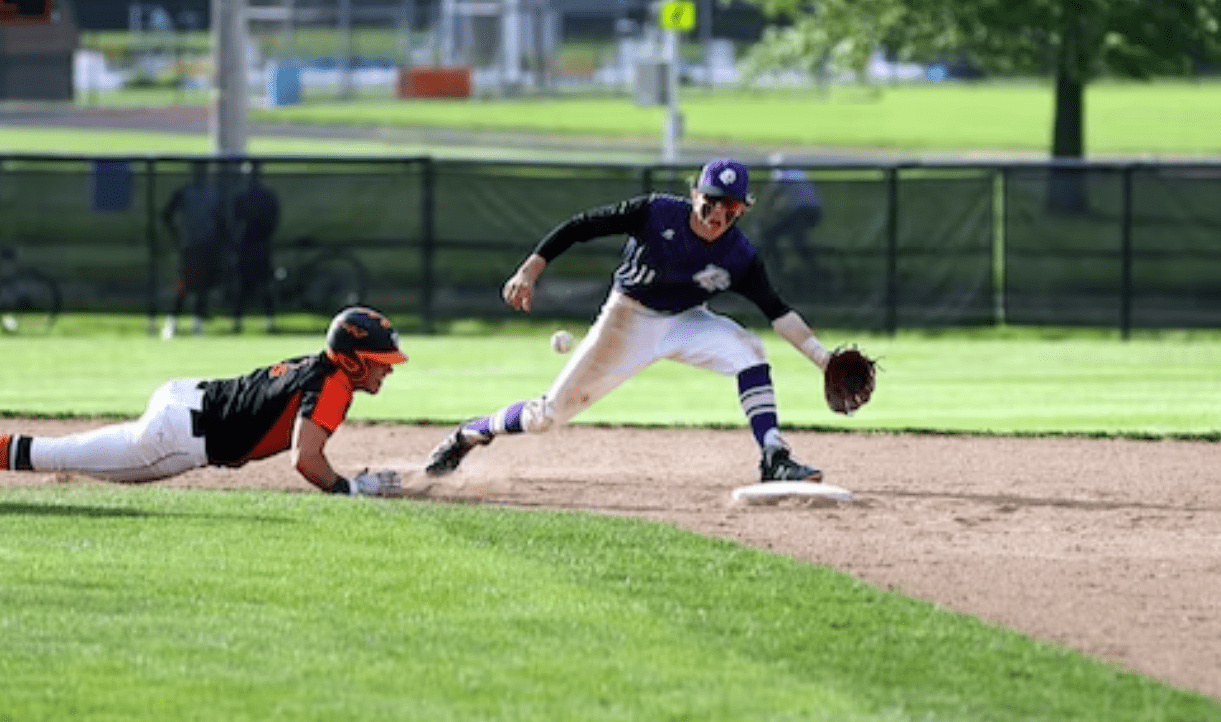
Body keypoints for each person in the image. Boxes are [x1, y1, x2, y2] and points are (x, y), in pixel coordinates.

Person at [425, 158, 838, 484]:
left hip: (685, 321)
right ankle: (470, 433)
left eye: (729, 207)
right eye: (710, 201)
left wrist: (824, 359)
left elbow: (779, 312)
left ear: (742, 209)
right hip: (626, 319)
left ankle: (774, 455)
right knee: (545, 417)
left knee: (750, 350)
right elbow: (581, 226)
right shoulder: (656, 213)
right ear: (694, 194)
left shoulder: (740, 255)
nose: (717, 213)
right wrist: (530, 269)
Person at [0, 307, 407, 496]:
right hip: (178, 437)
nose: (388, 370)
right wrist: (348, 489)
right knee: (56, 455)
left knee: (81, 455)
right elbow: (306, 460)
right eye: (380, 361)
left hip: (185, 398)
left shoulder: (316, 366)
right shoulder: (333, 386)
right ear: (353, 360)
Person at [161, 160, 225, 339]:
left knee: (203, 286)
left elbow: (221, 220)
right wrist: (177, 235)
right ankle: (171, 323)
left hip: (207, 245)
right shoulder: (185, 192)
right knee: (183, 285)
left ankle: (197, 324)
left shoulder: (213, 194)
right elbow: (167, 214)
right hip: (189, 245)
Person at [231, 161, 281, 333]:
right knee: (243, 286)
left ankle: (269, 321)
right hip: (246, 247)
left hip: (259, 246)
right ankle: (237, 321)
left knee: (264, 285)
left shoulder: (266, 197)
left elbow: (272, 221)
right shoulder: (242, 197)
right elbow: (235, 222)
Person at [758, 152, 824, 282]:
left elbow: (771, 194)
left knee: (769, 235)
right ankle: (814, 271)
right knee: (797, 240)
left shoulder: (782, 173)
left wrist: (761, 214)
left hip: (804, 211)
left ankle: (779, 271)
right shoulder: (798, 172)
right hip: (813, 211)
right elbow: (789, 201)